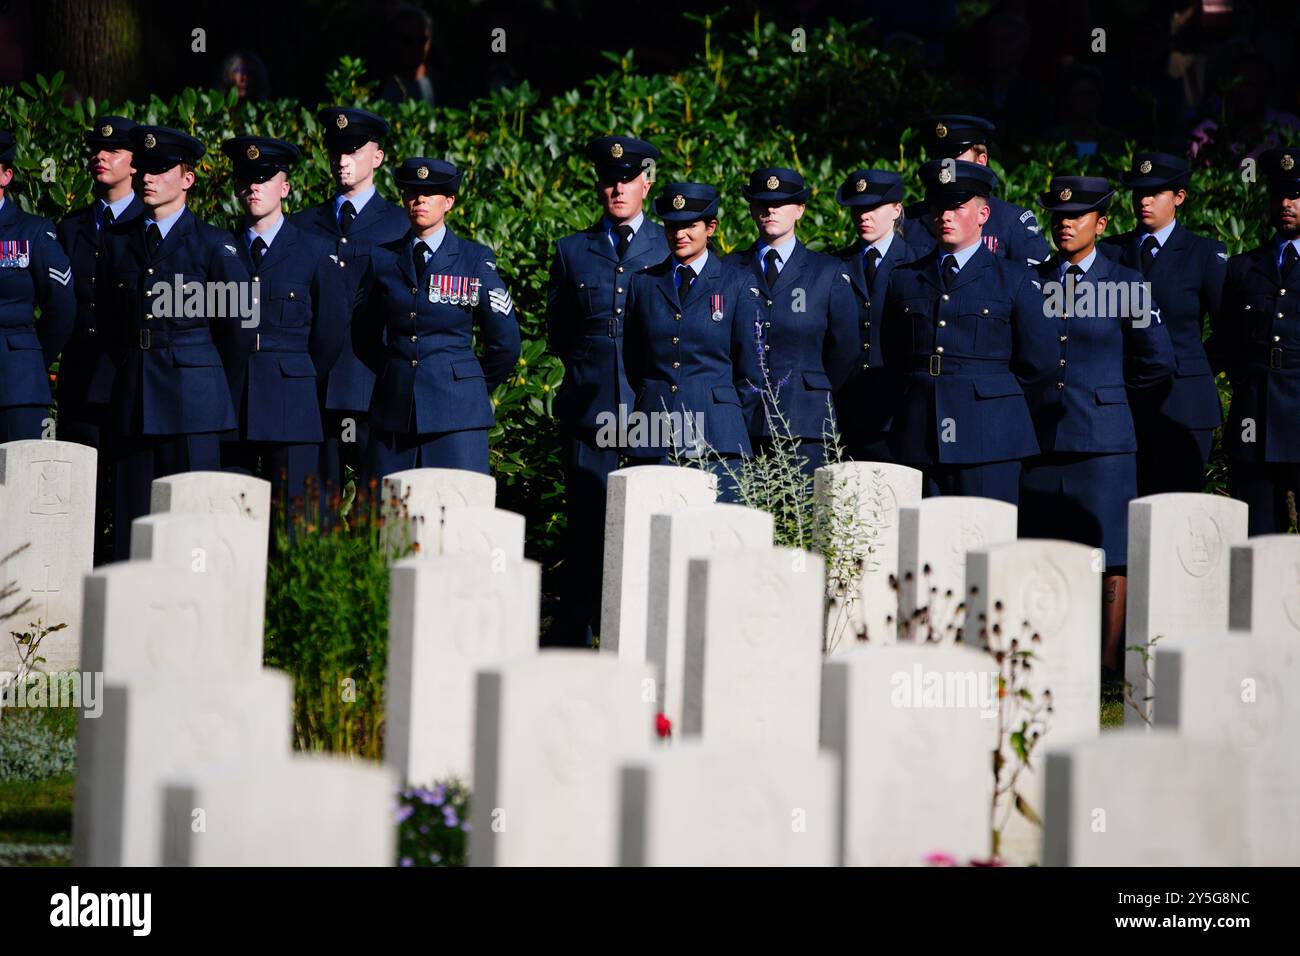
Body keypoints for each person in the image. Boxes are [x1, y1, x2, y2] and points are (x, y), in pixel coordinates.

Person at [1021, 176, 1175, 681]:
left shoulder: (1125, 283)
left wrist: (1113, 401)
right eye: (1059, 216)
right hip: (1043, 437)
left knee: (1111, 553)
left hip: (1105, 439)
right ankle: (1049, 655)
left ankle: (1109, 665)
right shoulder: (1032, 282)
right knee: (1044, 548)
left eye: (1078, 216)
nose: (1065, 223)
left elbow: (1157, 361)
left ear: (1102, 223)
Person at [98, 125, 251, 559]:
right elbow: (110, 321)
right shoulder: (117, 243)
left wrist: (206, 381)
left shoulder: (214, 244)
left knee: (191, 531)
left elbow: (238, 330)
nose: (147, 176)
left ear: (187, 178)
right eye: (143, 167)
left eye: (161, 168)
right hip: (134, 400)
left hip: (193, 404)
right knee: (132, 528)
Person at [545, 134, 668, 648]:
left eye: (626, 178)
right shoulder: (573, 251)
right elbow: (560, 332)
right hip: (591, 412)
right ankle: (577, 644)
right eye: (608, 179)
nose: (616, 188)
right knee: (587, 531)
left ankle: (639, 639)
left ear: (647, 181)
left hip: (650, 411)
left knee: (645, 531)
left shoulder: (668, 244)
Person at [881, 159, 1056, 503]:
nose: (945, 216)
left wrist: (993, 400)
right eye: (938, 207)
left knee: (986, 544)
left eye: (957, 207)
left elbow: (1041, 361)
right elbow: (895, 353)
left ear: (982, 215)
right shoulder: (905, 278)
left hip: (991, 437)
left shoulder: (1015, 279)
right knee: (924, 549)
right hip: (921, 436)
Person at [352, 157, 520, 477]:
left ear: (449, 202)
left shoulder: (474, 259)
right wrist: (396, 374)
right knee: (389, 519)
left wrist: (464, 384)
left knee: (458, 517)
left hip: (458, 419)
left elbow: (505, 342)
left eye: (430, 193)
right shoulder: (382, 260)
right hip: (394, 415)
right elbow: (362, 335)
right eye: (413, 192)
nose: (420, 200)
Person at [220, 136, 350, 514]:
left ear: (286, 187)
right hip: (234, 401)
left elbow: (329, 332)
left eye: (265, 177)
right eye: (246, 178)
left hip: (292, 405)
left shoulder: (314, 252)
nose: (254, 186)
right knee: (230, 522)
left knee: (295, 522)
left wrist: (298, 374)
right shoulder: (219, 249)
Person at [292, 107, 408, 493]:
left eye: (355, 151)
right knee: (315, 507)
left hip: (374, 383)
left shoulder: (401, 225)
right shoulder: (302, 224)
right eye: (336, 151)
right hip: (315, 387)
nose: (343, 161)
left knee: (379, 507)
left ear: (377, 157)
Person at [1100, 151, 1226, 495]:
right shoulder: (1111, 251)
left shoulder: (1204, 253)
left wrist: (1188, 369)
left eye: (1155, 193)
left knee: (1176, 512)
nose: (1144, 200)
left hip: (1183, 402)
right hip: (1122, 401)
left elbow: (1227, 332)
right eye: (1139, 192)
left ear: (1179, 198)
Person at [623, 182, 757, 496]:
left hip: (716, 436)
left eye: (689, 226)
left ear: (710, 227)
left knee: (715, 539)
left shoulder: (736, 282)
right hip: (655, 434)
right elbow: (634, 360)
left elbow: (750, 369)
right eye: (672, 225)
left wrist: (725, 418)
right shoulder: (643, 284)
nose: (679, 234)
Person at [727, 166, 856, 473]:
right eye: (761, 202)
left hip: (806, 424)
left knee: (803, 519)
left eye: (781, 203)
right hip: (744, 421)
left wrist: (812, 389)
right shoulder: (730, 269)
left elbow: (844, 350)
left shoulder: (827, 272)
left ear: (800, 209)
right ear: (751, 208)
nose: (771, 209)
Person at [1216, 147, 1300, 536]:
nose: (1286, 204)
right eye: (1279, 194)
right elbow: (1229, 342)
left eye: (1296, 195)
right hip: (1257, 418)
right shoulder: (1244, 267)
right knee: (1257, 539)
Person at [828, 169, 922, 462]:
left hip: (899, 411)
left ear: (896, 210)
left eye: (872, 208)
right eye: (857, 209)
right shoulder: (833, 265)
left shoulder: (918, 263)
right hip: (843, 410)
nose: (863, 216)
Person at [0, 128, 75, 444]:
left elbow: (62, 307)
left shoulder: (33, 232)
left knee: (20, 486)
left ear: (5, 176)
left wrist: (29, 357)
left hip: (16, 387)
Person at [903, 114, 1050, 268]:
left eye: (954, 158)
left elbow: (1035, 285)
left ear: (981, 161)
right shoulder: (908, 220)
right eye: (938, 158)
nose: (945, 166)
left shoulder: (1011, 222)